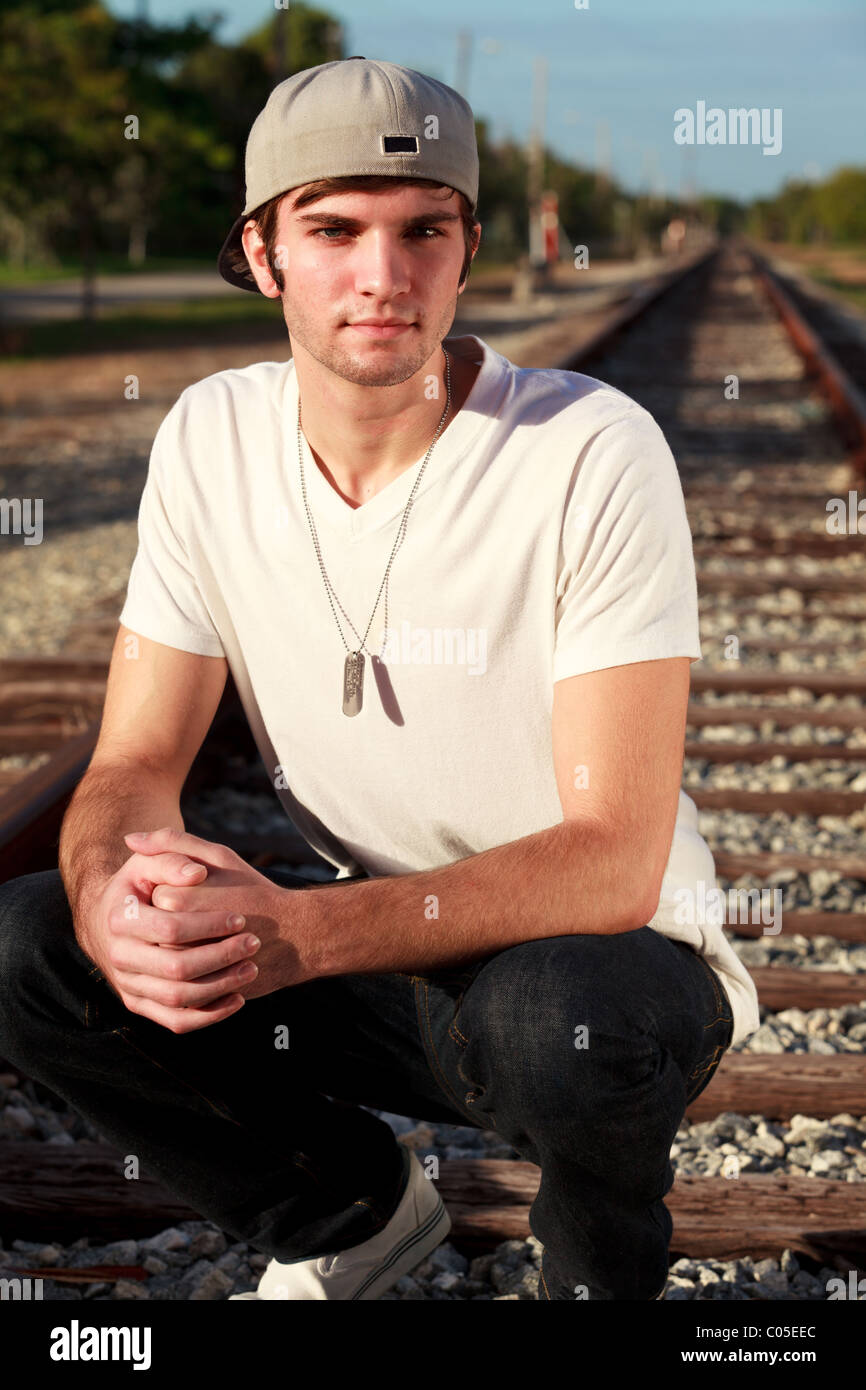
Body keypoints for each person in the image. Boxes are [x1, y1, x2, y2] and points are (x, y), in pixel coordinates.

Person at [0, 58, 759, 1301]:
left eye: (423, 232)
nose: (382, 276)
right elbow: (135, 765)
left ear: (465, 251)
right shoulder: (209, 438)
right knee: (26, 942)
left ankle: (597, 1272)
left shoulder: (587, 449)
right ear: (261, 253)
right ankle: (347, 1217)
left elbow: (615, 857)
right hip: (379, 962)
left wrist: (299, 933)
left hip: (601, 962)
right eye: (334, 230)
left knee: (550, 1017)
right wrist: (105, 900)